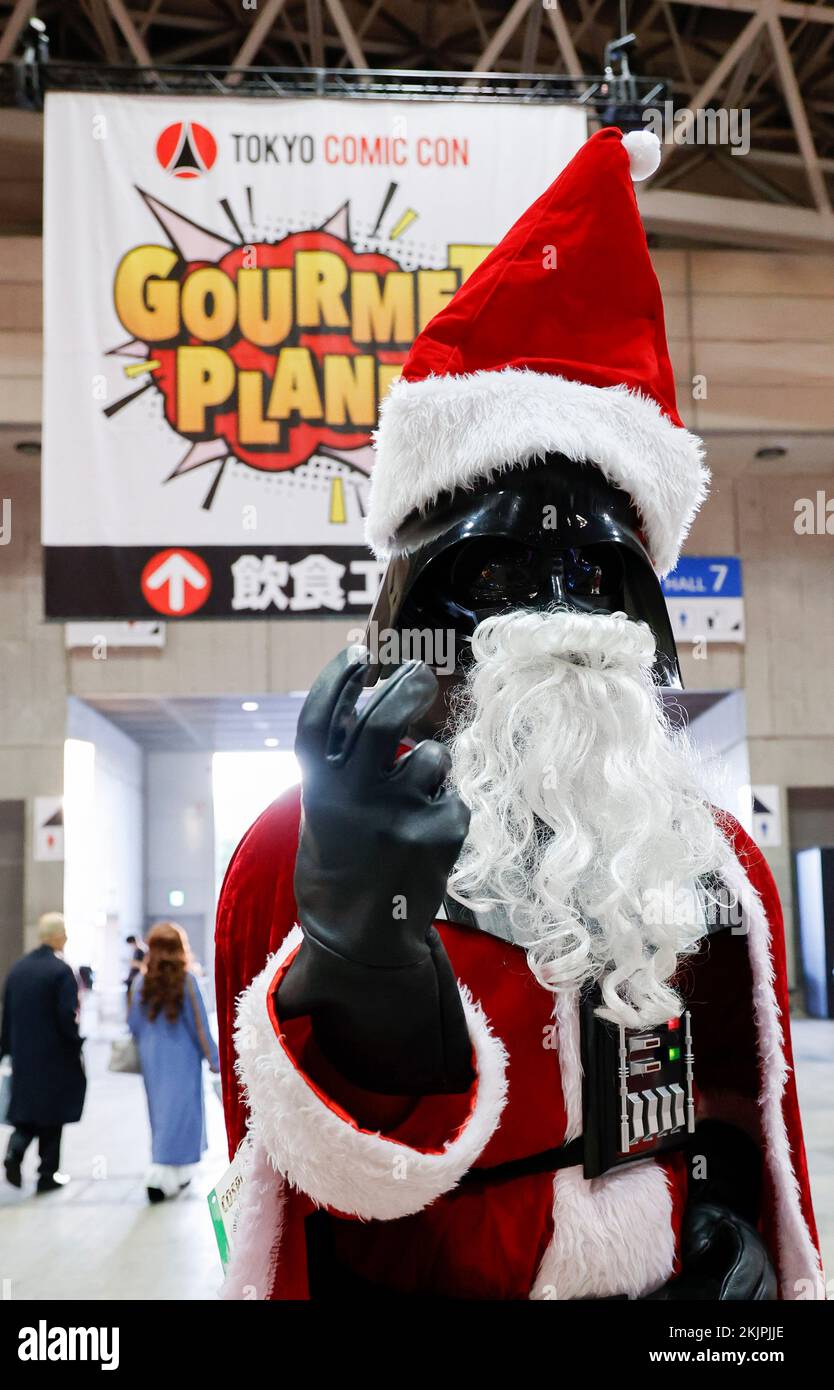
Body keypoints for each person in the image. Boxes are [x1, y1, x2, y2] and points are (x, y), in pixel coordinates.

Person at [213, 128, 822, 1301]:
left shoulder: (713, 854)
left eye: (594, 579)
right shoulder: (294, 851)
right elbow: (285, 1195)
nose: (555, 614)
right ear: (417, 605)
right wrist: (357, 960)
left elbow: (742, 1104)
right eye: (495, 578)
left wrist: (731, 1229)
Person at [128, 921, 219, 1204]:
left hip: (153, 1061)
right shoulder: (187, 980)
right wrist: (215, 1060)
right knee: (181, 1116)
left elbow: (133, 1024)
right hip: (183, 1060)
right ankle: (161, 1176)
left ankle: (172, 1174)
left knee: (162, 1117)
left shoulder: (140, 982)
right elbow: (200, 1025)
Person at [0, 911, 86, 1194]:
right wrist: (75, 1043)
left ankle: (15, 1151)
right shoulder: (61, 971)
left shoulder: (18, 969)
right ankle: (47, 1173)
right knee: (53, 1114)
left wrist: (6, 1052)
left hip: (24, 1055)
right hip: (56, 1056)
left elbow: (6, 1015)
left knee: (27, 1111)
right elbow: (67, 1015)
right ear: (58, 937)